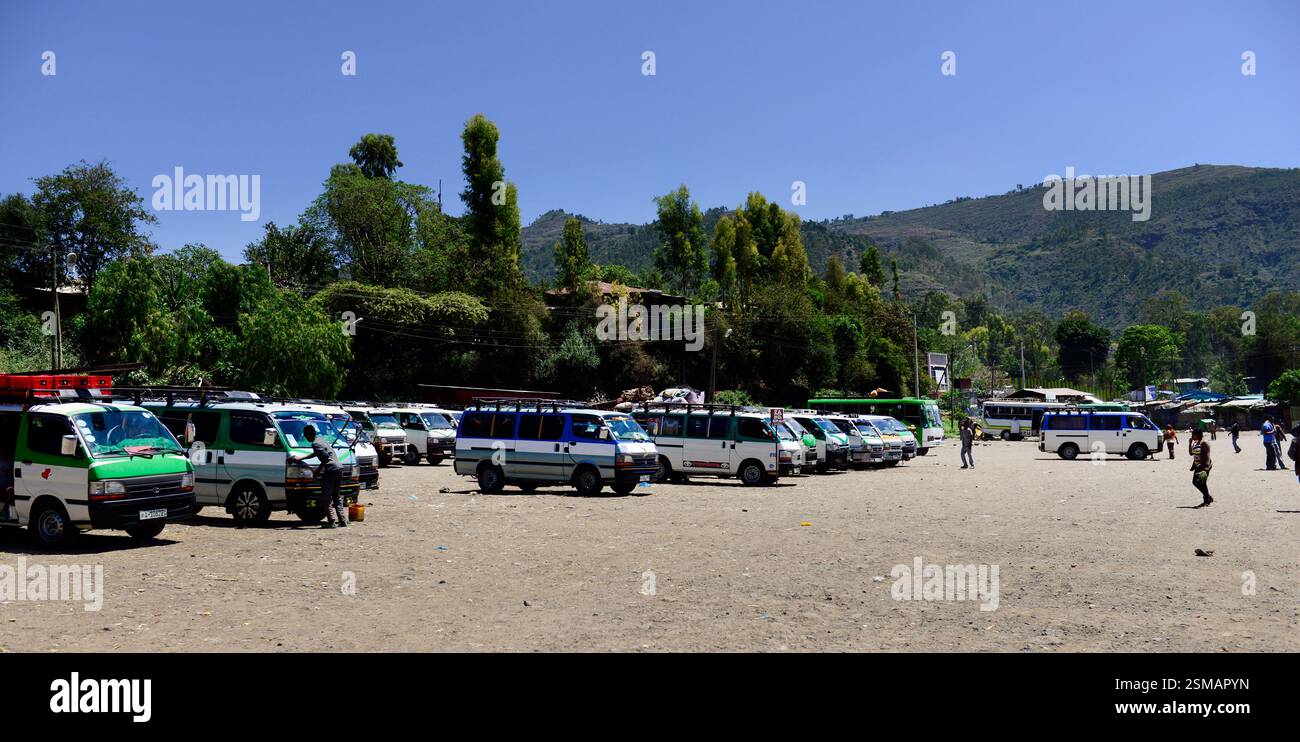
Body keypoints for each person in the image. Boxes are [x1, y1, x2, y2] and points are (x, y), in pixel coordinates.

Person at [292, 424, 346, 528]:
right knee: (336, 496)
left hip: (331, 469)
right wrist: (301, 458)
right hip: (339, 468)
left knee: (326, 497)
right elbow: (317, 454)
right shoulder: (321, 440)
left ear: (308, 435)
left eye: (305, 436)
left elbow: (325, 458)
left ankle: (331, 521)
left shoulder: (315, 444)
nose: (306, 438)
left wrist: (317, 472)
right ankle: (342, 520)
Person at [1189, 429, 1212, 507]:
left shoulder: (1204, 443)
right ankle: (1208, 497)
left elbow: (1207, 456)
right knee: (1198, 482)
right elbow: (1191, 453)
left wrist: (1206, 468)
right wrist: (1190, 443)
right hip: (1197, 465)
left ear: (1198, 434)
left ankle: (1207, 499)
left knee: (1199, 482)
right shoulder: (1196, 443)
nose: (1192, 437)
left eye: (1193, 435)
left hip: (1203, 466)